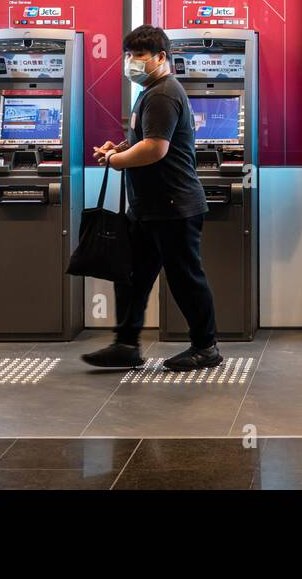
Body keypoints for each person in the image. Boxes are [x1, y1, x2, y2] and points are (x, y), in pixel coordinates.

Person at [81, 26, 223, 372]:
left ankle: (206, 348)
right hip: (150, 207)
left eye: (139, 56)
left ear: (161, 58)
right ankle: (126, 345)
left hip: (173, 205)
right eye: (129, 55)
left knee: (185, 278)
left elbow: (155, 149)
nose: (132, 62)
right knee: (130, 275)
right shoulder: (151, 91)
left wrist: (116, 160)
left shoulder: (162, 93)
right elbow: (145, 140)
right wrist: (120, 148)